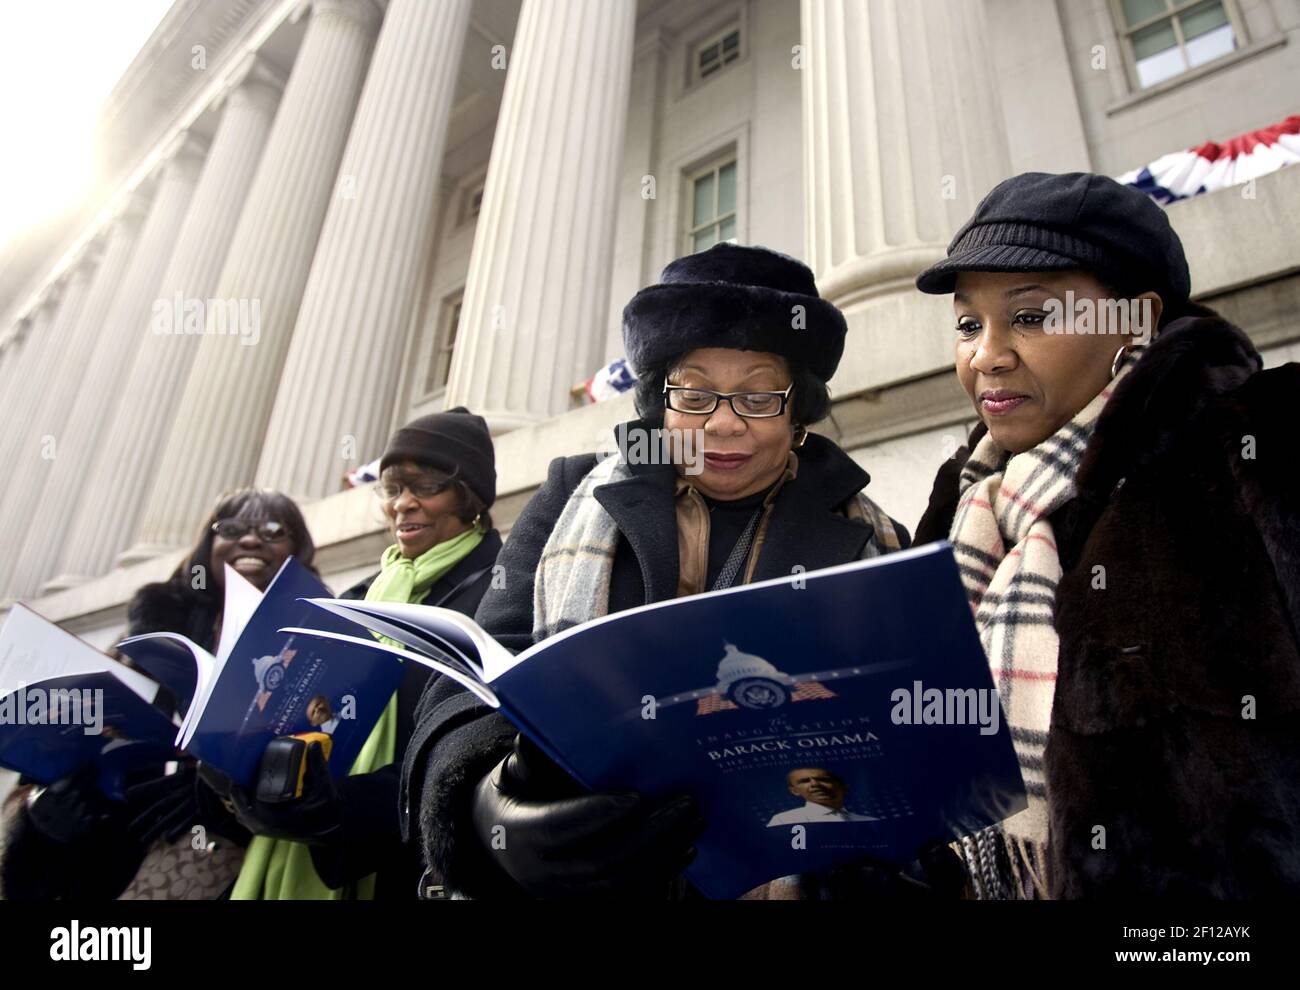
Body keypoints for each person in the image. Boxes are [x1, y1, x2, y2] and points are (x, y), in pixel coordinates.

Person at [402, 242, 921, 900]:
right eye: (696, 394)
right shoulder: (569, 497)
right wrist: (482, 810)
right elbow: (476, 679)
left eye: (759, 396)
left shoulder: (876, 539)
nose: (725, 424)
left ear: (798, 410)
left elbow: (908, 724)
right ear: (660, 401)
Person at [912, 171, 1300, 899]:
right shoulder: (957, 516)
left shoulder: (1260, 449)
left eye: (1030, 317)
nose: (986, 355)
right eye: (969, 324)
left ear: (1138, 322)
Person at [216, 408, 502, 900]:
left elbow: (475, 750)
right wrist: (240, 778)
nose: (403, 504)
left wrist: (337, 811)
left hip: (413, 874)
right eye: (392, 488)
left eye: (426, 485)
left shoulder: (501, 595)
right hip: (306, 856)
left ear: (469, 497)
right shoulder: (355, 599)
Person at [0, 488, 315, 900]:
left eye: (275, 530)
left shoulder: (313, 643)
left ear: (299, 549)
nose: (252, 540)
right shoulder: (146, 633)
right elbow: (75, 743)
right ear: (208, 545)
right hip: (111, 851)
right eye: (232, 528)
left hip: (242, 861)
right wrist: (40, 818)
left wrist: (223, 799)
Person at [766, 768, 878, 826]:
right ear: (794, 791)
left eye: (824, 779)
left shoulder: (870, 821)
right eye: (804, 781)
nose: (815, 784)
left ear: (844, 786)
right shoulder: (784, 820)